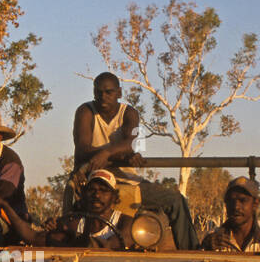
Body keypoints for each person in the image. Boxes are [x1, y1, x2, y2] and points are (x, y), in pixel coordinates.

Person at [68, 72, 197, 249]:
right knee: (70, 211)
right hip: (94, 180)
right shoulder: (85, 111)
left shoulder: (129, 113)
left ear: (119, 93)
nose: (103, 97)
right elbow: (83, 148)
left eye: (109, 92)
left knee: (176, 200)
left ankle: (193, 254)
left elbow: (132, 143)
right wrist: (120, 153)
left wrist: (105, 155)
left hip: (127, 180)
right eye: (98, 92)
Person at [1, 169, 132, 249]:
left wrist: (70, 236)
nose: (97, 195)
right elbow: (33, 237)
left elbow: (109, 245)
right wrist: (5, 206)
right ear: (83, 194)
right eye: (92, 190)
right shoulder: (73, 222)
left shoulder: (126, 222)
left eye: (104, 191)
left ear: (114, 198)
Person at [201, 176, 260, 254]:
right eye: (231, 201)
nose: (236, 207)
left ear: (255, 204)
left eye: (243, 200)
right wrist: (207, 248)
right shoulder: (213, 237)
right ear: (226, 204)